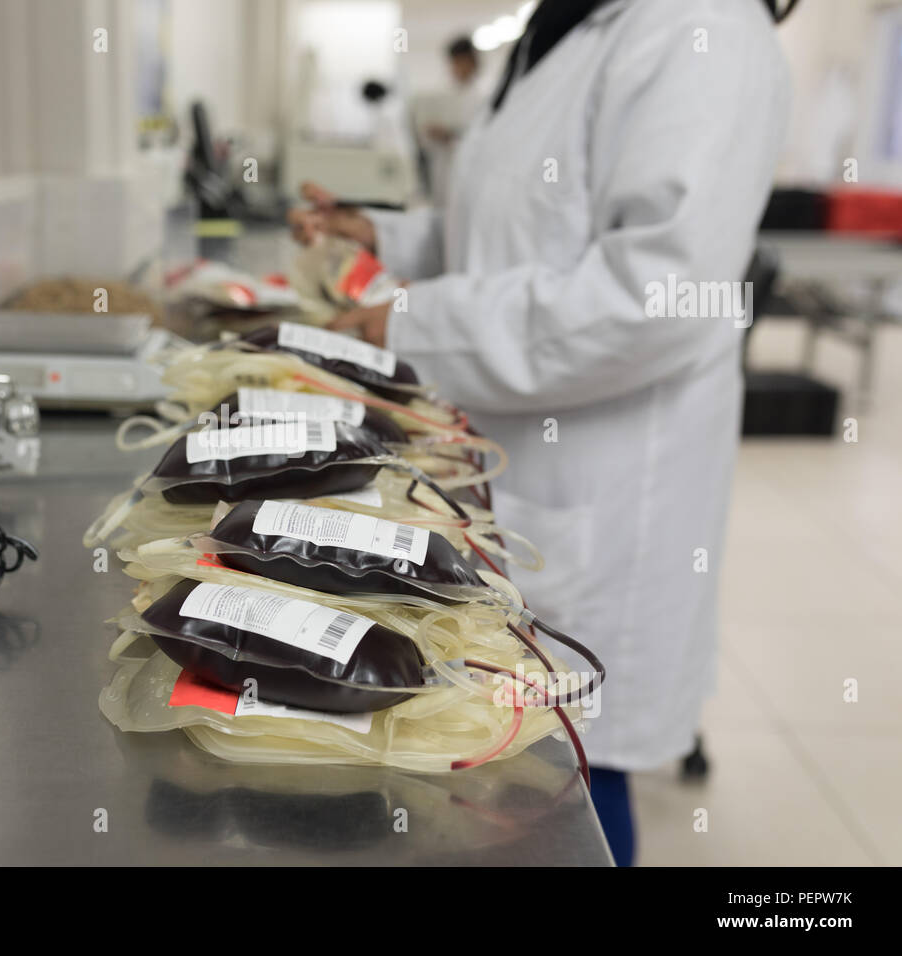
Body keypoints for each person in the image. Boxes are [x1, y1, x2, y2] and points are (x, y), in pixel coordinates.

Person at [289, 0, 798, 866]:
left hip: (603, 501)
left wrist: (411, 323)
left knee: (567, 790)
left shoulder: (701, 29)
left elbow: (654, 296)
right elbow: (506, 237)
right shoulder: (559, 23)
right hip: (508, 471)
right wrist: (388, 234)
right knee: (499, 771)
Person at [422, 36, 490, 204]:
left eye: (463, 62)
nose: (458, 68)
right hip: (444, 167)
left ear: (474, 63)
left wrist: (453, 135)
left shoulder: (485, 97)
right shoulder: (442, 95)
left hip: (472, 171)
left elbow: (485, 138)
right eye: (455, 62)